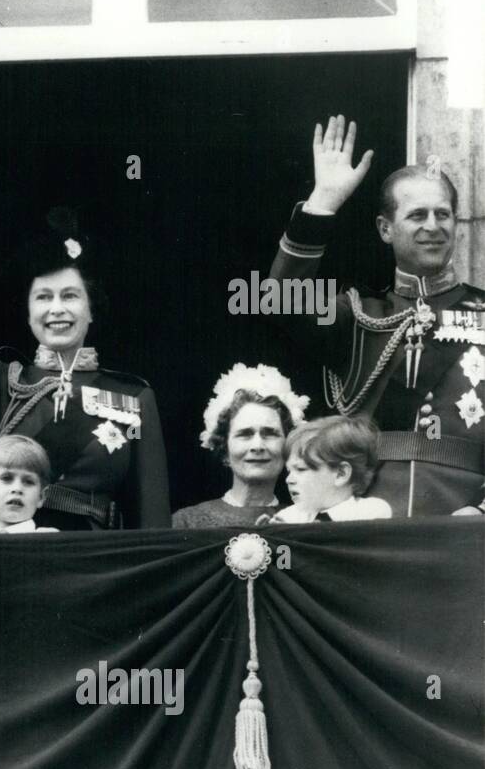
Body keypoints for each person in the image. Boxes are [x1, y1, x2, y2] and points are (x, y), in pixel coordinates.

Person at [0, 165, 170, 530]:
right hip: (4, 552)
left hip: (91, 557)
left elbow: (153, 515)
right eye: (43, 297)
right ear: (29, 312)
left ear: (92, 310)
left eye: (70, 296)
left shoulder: (133, 397)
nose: (56, 309)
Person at [261, 115, 485, 516]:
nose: (433, 226)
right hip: (364, 516)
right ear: (385, 229)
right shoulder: (358, 315)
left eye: (443, 214)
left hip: (465, 518)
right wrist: (322, 202)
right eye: (417, 215)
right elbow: (279, 300)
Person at [172, 363, 309, 528]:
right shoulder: (186, 522)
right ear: (224, 449)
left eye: (270, 433)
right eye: (245, 434)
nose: (257, 446)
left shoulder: (304, 522)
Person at [270, 416, 392, 523]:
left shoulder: (370, 511)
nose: (288, 480)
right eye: (289, 471)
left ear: (341, 474)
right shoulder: (288, 516)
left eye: (301, 469)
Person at [0, 435, 58, 534]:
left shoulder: (48, 539)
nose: (17, 488)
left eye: (28, 482)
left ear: (41, 497)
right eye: (6, 478)